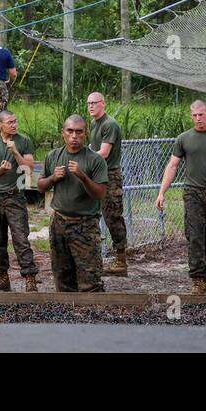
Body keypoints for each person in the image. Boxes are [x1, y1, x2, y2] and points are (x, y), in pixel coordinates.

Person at [157, 100, 206, 294]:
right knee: (195, 236)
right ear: (191, 115)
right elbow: (172, 166)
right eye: (194, 115)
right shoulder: (184, 138)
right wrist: (162, 192)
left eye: (201, 115)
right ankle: (198, 279)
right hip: (193, 193)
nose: (198, 119)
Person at [39, 114, 108, 293]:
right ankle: (66, 318)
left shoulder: (94, 159)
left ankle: (92, 317)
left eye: (78, 132)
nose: (74, 136)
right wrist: (53, 178)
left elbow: (100, 193)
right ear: (63, 133)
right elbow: (40, 186)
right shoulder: (53, 156)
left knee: (90, 279)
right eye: (70, 131)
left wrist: (83, 176)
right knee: (62, 277)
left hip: (85, 224)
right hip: (60, 222)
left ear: (85, 134)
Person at [0, 109, 39, 292]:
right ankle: (3, 278)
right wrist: (1, 170)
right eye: (10, 122)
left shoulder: (24, 141)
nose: (14, 125)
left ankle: (30, 278)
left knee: (21, 239)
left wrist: (15, 152)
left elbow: (29, 170)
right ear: (0, 125)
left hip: (15, 196)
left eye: (15, 121)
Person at [86, 91, 128, 276]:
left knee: (113, 217)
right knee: (90, 215)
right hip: (95, 175)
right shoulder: (94, 124)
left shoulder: (109, 124)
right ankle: (92, 257)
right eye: (88, 103)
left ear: (104, 104)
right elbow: (92, 149)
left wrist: (83, 158)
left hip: (110, 177)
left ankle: (121, 260)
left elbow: (103, 153)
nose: (91, 106)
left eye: (94, 102)